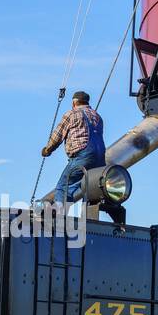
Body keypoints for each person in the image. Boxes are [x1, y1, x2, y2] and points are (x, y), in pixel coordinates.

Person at [42, 91, 125, 223]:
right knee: (93, 187)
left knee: (63, 187)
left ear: (74, 102)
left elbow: (57, 136)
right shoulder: (97, 116)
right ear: (87, 102)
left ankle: (58, 220)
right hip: (100, 158)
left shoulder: (71, 114)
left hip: (82, 155)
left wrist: (47, 150)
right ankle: (115, 214)